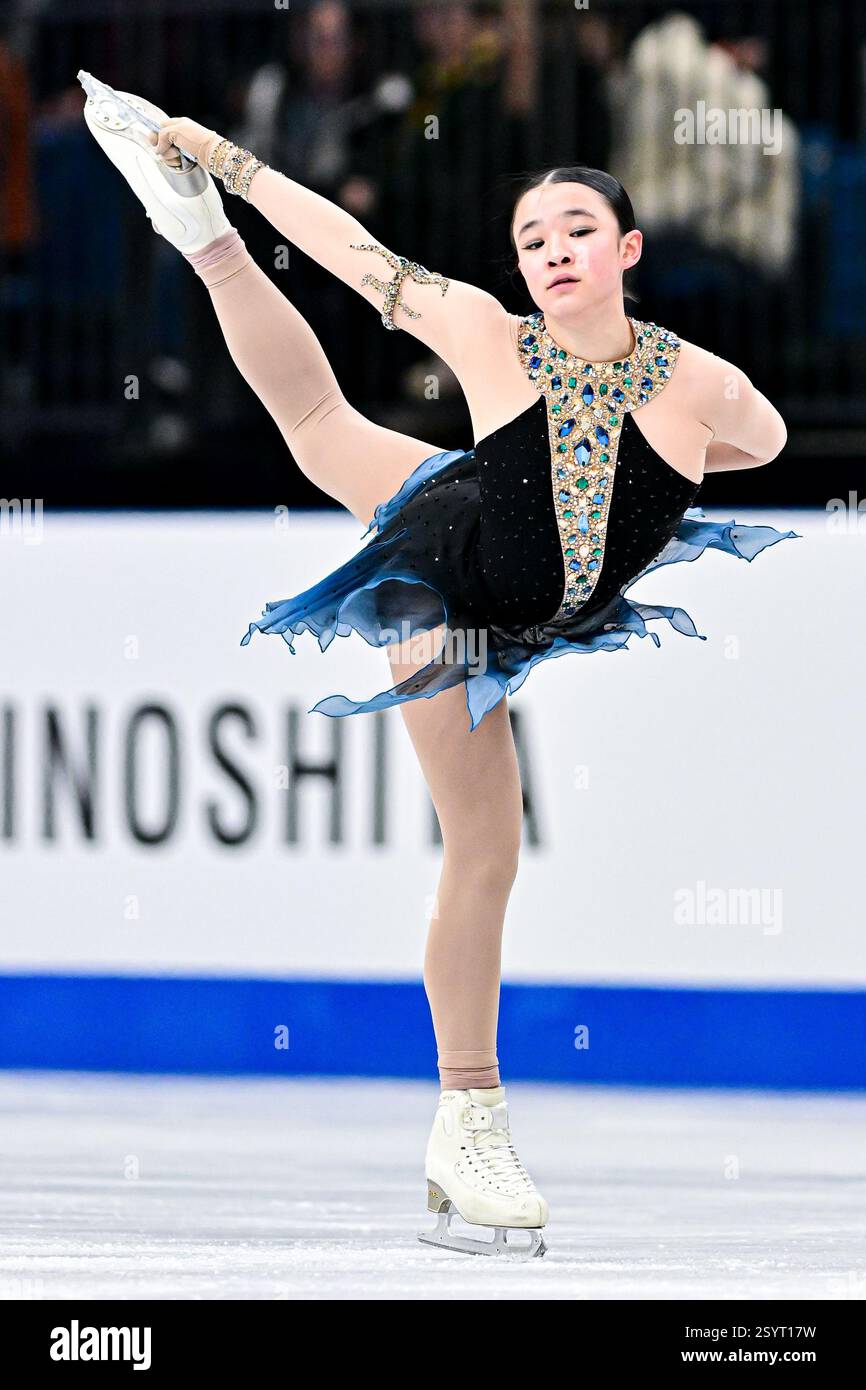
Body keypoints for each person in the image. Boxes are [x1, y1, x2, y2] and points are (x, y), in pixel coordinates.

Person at [81, 82, 799, 1260]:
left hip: (520, 567)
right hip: (446, 586)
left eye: (575, 229)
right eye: (530, 238)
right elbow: (352, 251)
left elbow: (760, 440)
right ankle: (466, 1117)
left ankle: (198, 233)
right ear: (515, 269)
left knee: (324, 428)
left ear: (624, 248)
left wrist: (666, 469)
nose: (552, 250)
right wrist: (228, 161)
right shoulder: (483, 333)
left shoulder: (699, 383)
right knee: (488, 840)